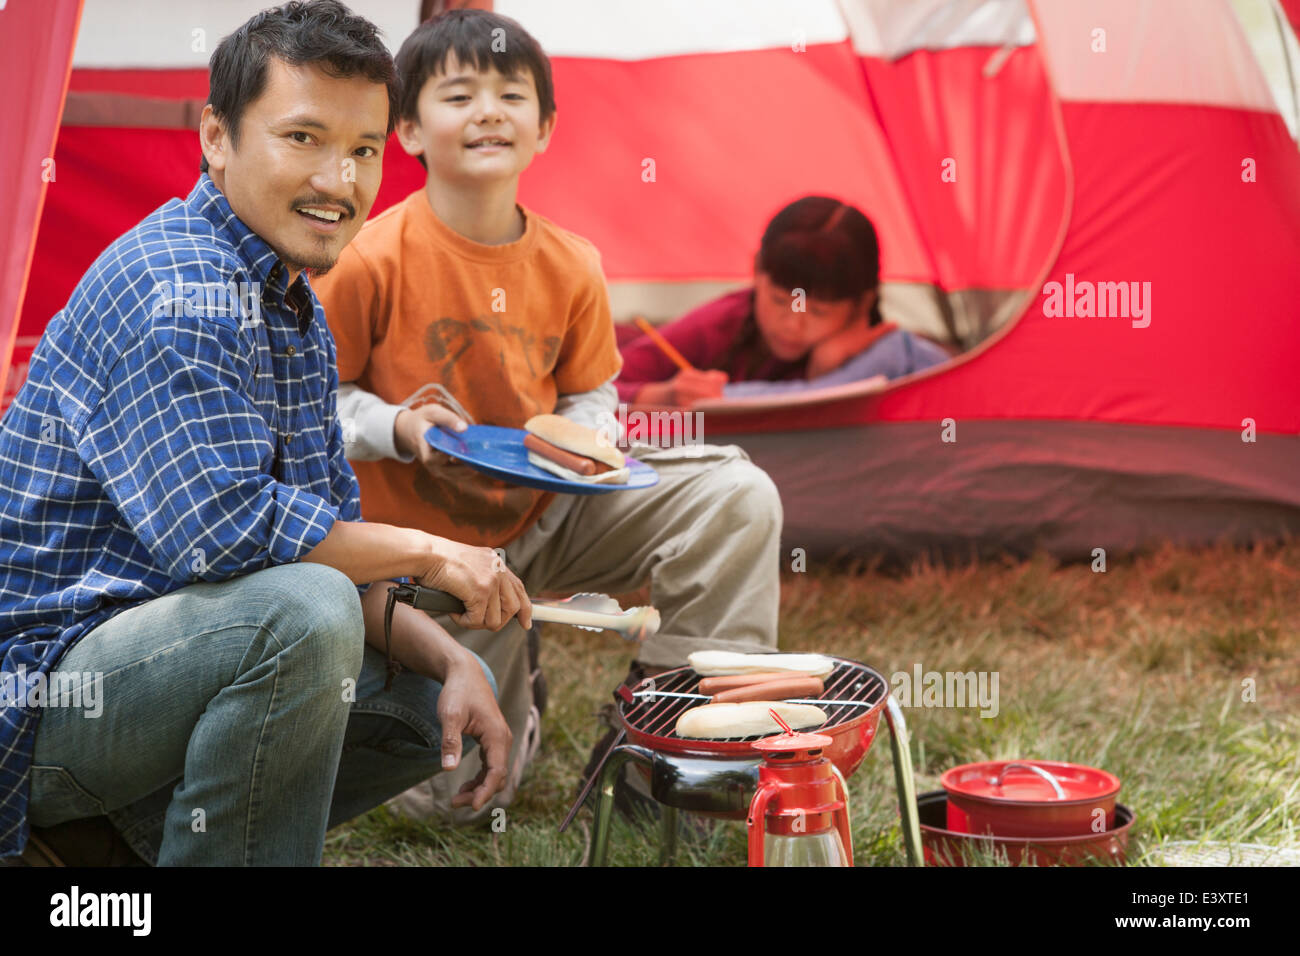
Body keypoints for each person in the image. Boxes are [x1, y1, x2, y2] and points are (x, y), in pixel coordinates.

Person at [0, 1, 526, 867]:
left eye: (363, 150)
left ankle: (95, 851)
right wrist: (433, 555)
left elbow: (320, 542)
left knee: (424, 701)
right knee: (305, 617)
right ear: (217, 135)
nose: (339, 181)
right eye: (303, 138)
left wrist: (453, 659)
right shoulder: (176, 289)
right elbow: (230, 536)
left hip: (160, 662)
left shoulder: (286, 300)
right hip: (40, 694)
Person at [312, 10, 784, 775]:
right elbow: (315, 407)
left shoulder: (573, 264)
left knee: (737, 495)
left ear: (546, 129)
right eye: (459, 96)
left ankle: (666, 731)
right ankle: (507, 676)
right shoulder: (369, 259)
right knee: (461, 798)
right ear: (408, 130)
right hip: (429, 559)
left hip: (547, 514)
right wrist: (400, 429)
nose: (489, 113)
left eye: (511, 96)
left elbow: (592, 394)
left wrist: (586, 440)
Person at [618, 196, 950, 406]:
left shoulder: (885, 355)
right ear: (756, 272)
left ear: (861, 305)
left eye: (817, 311)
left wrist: (825, 372)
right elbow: (599, 387)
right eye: (779, 300)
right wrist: (664, 395)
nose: (792, 323)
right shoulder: (721, 323)